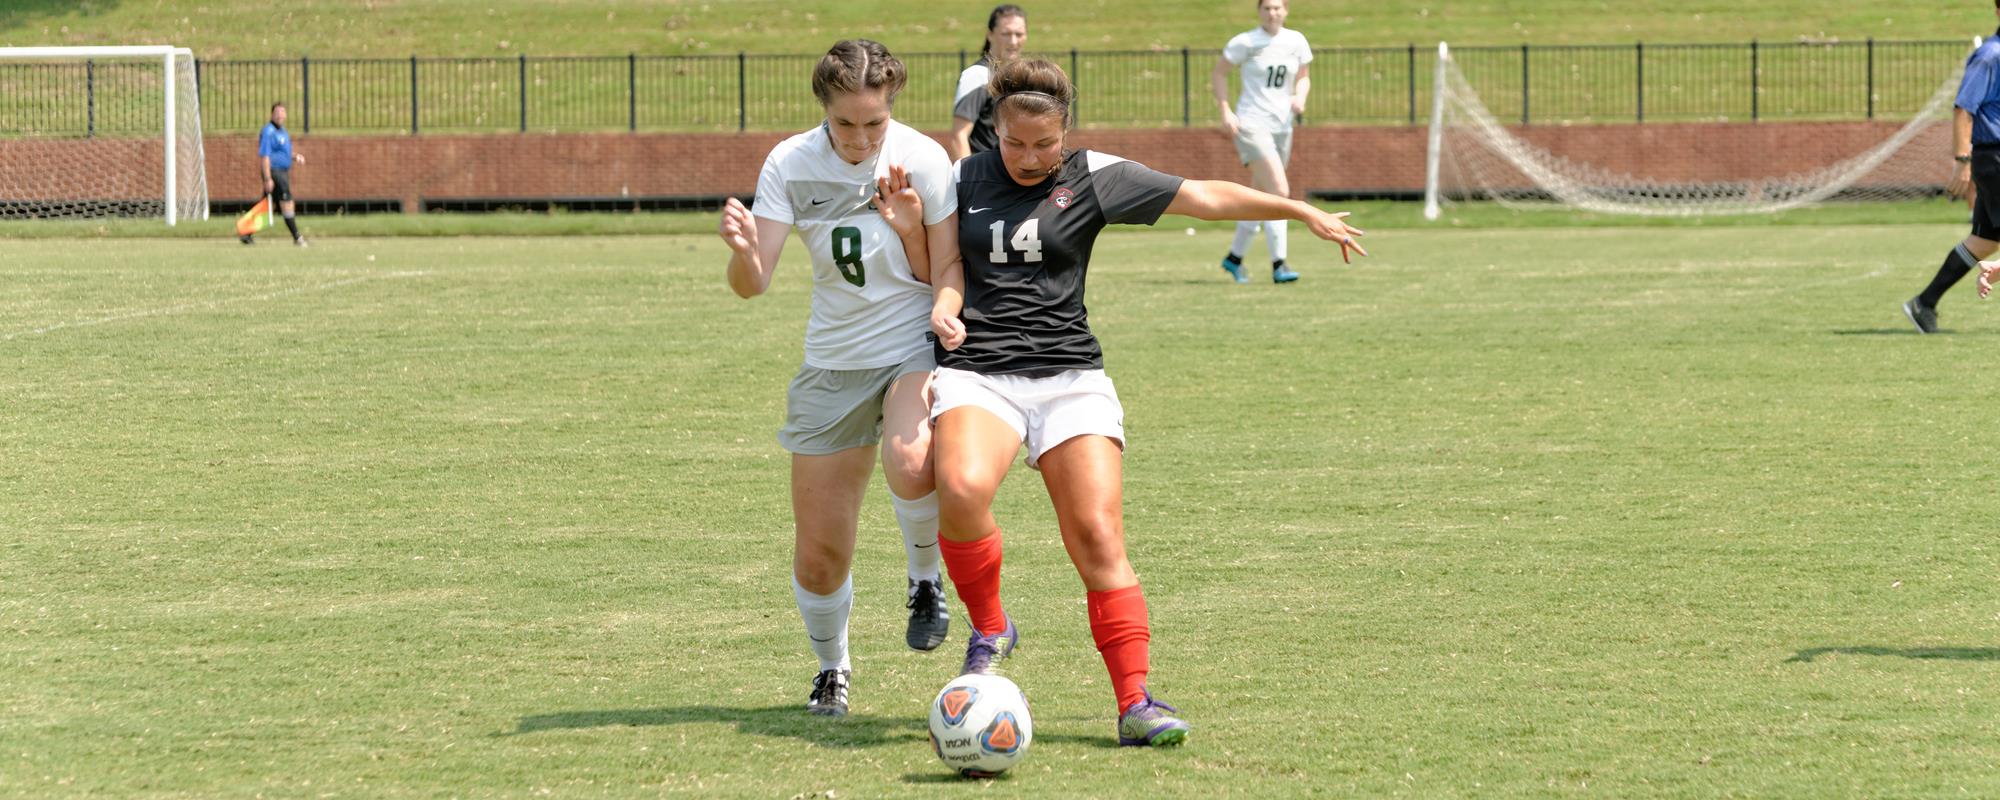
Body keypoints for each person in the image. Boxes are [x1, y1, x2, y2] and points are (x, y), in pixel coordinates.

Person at [921, 58, 1365, 747]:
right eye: (1016, 143)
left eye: (1046, 144)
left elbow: (1205, 197)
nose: (1031, 158)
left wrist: (1296, 208)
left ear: (1065, 131)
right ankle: (990, 626)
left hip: (1069, 375)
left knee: (1098, 537)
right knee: (960, 485)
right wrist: (946, 309)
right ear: (994, 128)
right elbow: (942, 264)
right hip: (981, 371)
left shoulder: (1096, 176)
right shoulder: (964, 176)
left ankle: (1135, 703)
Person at [717, 39, 961, 717]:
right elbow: (752, 284)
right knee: (821, 553)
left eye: (874, 123)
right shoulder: (790, 163)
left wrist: (939, 304)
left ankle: (923, 581)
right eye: (845, 124)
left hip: (912, 343)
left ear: (892, 108)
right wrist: (741, 254)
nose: (859, 138)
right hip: (832, 360)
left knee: (911, 457)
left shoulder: (927, 159)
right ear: (823, 109)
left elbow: (946, 271)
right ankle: (833, 669)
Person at [1905, 3, 2000, 333]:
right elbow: (1963, 109)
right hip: (1995, 158)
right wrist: (1963, 160)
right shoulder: (1991, 54)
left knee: (1984, 241)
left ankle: (1924, 303)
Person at [1210, 0, 1313, 284]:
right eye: (1267, 7)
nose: (1272, 13)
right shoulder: (1245, 41)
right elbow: (1219, 73)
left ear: (1286, 11)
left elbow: (1303, 77)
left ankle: (1234, 259)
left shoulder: (1296, 41)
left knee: (1261, 196)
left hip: (1282, 127)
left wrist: (1300, 97)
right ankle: (1279, 264)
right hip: (1252, 124)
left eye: (1278, 8)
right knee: (1279, 191)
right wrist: (1225, 110)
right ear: (1259, 11)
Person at [947, 5, 1027, 162]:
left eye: (1019, 34)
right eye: (1006, 34)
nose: (1013, 41)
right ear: (990, 35)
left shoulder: (1019, 77)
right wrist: (968, 182)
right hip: (984, 178)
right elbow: (958, 136)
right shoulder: (977, 75)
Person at [244, 102, 307, 247]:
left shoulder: (282, 131)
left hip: (282, 172)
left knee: (267, 204)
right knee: (287, 202)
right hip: (275, 172)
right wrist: (268, 178)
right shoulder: (268, 131)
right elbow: (266, 156)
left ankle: (246, 232)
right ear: (272, 114)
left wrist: (295, 156)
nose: (280, 115)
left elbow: (281, 152)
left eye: (282, 112)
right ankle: (297, 236)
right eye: (277, 112)